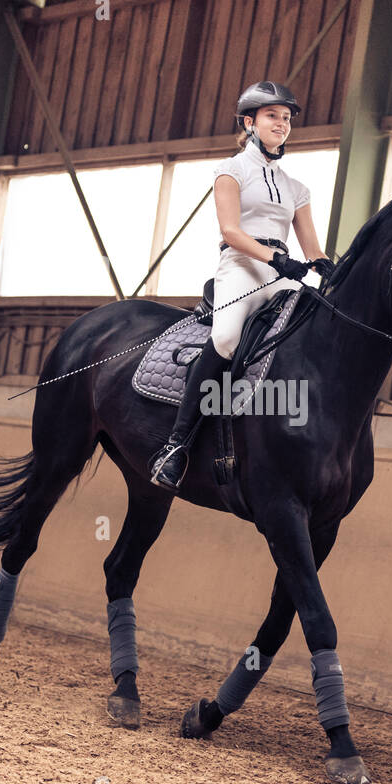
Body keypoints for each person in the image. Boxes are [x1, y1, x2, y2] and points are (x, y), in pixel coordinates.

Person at [149, 80, 336, 492]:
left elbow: (313, 247)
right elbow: (231, 231)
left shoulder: (296, 188)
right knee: (228, 337)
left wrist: (329, 267)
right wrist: (275, 258)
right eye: (272, 116)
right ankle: (176, 446)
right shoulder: (230, 170)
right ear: (250, 122)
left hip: (281, 275)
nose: (282, 124)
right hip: (241, 266)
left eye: (286, 118)